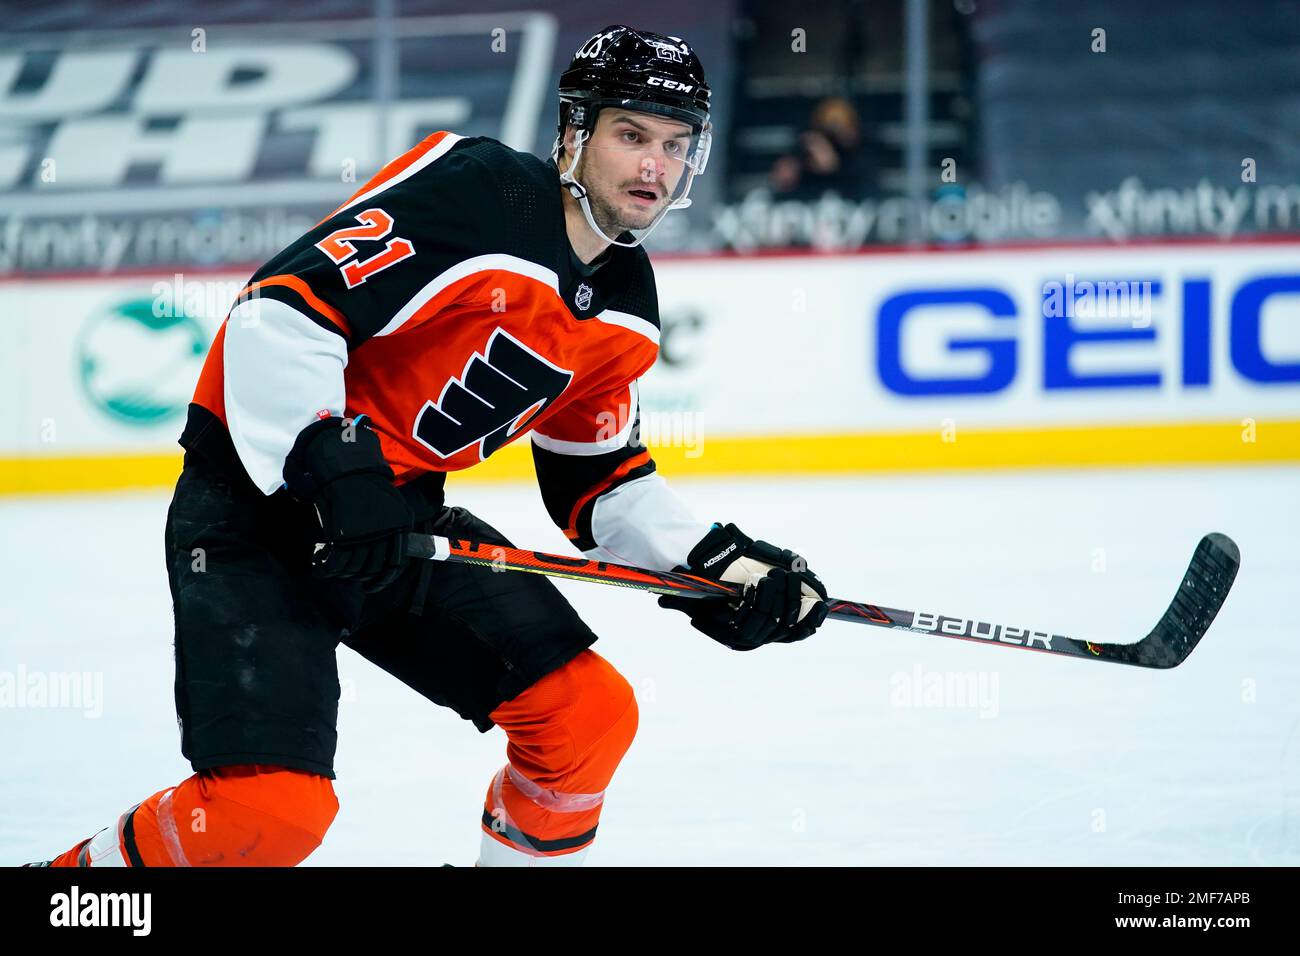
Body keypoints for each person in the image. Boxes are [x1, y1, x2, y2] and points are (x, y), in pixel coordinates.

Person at [30, 24, 829, 869]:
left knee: (586, 716)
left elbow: (600, 482)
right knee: (268, 814)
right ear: (573, 135)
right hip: (255, 519)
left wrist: (724, 567)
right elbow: (281, 310)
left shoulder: (627, 303)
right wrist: (337, 467)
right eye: (630, 135)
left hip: (398, 530)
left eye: (675, 144)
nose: (653, 168)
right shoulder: (482, 191)